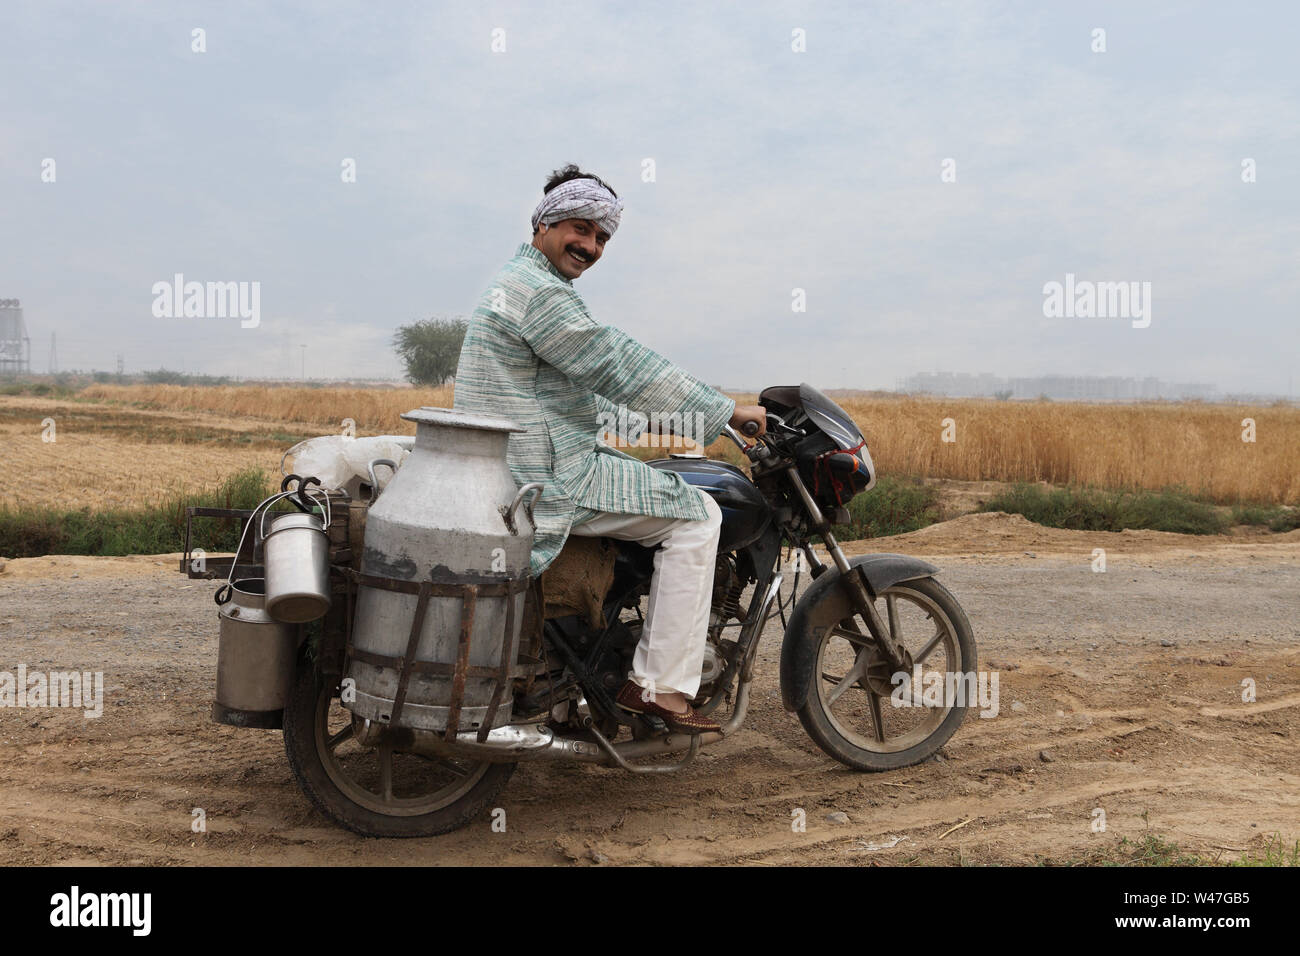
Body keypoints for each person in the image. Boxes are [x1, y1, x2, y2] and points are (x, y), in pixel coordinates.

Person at [453, 164, 766, 734]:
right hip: (543, 473)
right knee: (699, 514)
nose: (591, 246)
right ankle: (658, 689)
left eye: (602, 238)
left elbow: (586, 399)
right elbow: (615, 363)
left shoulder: (521, 284)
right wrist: (725, 412)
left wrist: (676, 426)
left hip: (526, 459)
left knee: (664, 486)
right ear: (544, 223)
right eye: (580, 228)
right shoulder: (540, 295)